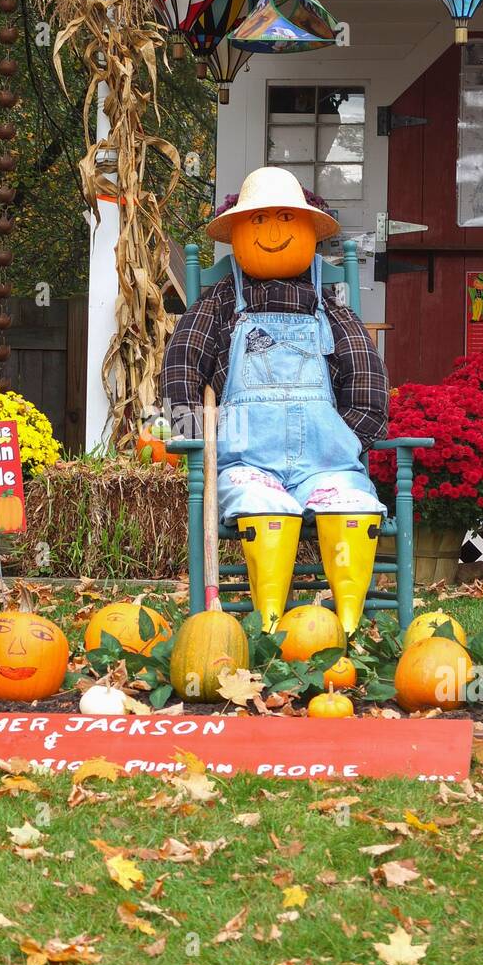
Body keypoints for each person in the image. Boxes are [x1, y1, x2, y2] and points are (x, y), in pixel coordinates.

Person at [161, 166, 388, 631]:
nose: (273, 231)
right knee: (262, 506)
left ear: (307, 231)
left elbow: (366, 380)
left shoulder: (329, 306)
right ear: (239, 233)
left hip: (328, 463)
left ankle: (345, 624)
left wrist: (349, 440)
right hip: (245, 462)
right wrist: (189, 439)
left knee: (351, 505)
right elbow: (182, 362)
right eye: (259, 220)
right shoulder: (223, 302)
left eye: (286, 217)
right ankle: (268, 624)